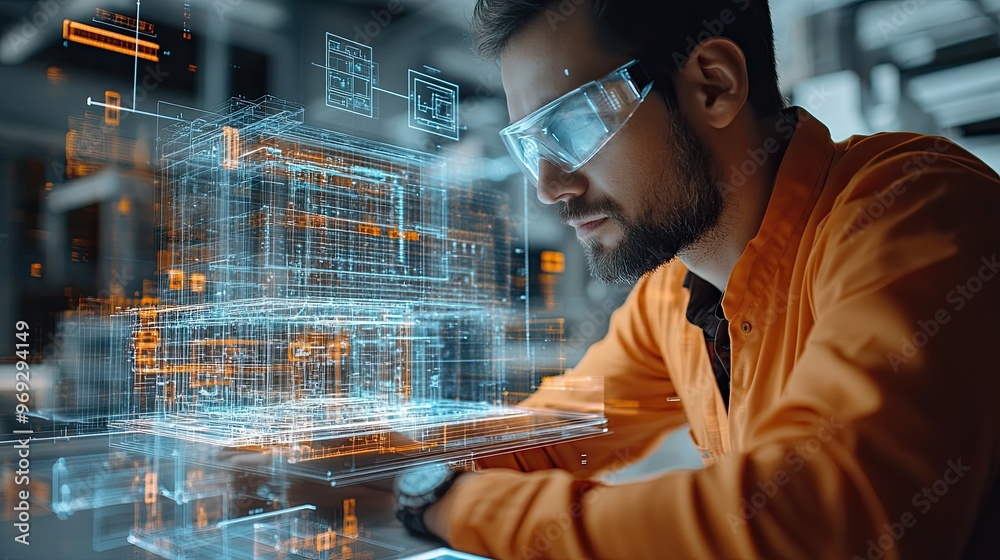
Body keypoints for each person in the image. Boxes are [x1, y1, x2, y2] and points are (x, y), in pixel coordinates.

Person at [394, 0, 1000, 557]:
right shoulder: (671, 299)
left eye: (573, 125)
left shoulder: (913, 209)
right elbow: (556, 432)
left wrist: (445, 504)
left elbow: (810, 521)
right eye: (531, 146)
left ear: (714, 85)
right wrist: (385, 466)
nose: (549, 186)